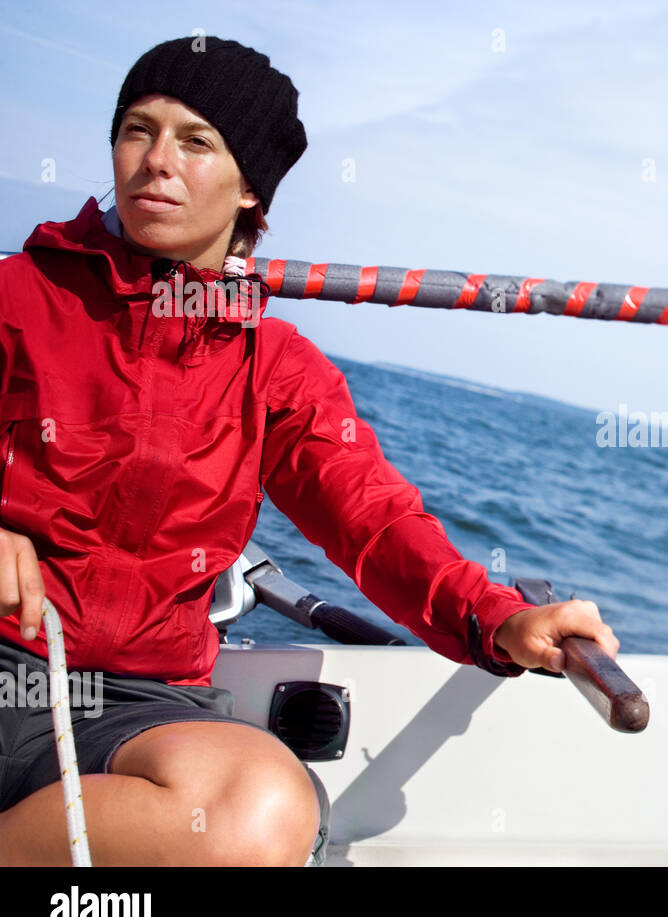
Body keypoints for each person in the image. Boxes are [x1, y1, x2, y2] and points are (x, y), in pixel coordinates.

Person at [0, 36, 618, 866]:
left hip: (136, 702)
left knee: (261, 814)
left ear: (250, 186)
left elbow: (372, 518)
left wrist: (499, 616)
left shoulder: (277, 368)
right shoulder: (19, 295)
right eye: (138, 130)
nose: (156, 162)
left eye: (196, 141)